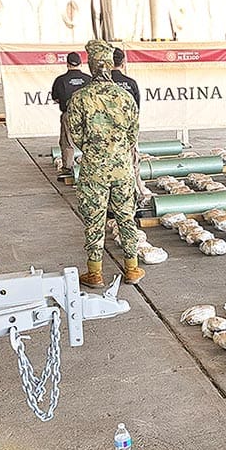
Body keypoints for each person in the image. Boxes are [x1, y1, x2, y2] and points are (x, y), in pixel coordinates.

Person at [67, 40, 144, 288]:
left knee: (94, 219)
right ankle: (132, 268)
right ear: (111, 65)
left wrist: (93, 150)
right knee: (126, 216)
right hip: (122, 167)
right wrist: (118, 150)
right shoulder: (125, 97)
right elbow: (133, 134)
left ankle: (95, 273)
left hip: (94, 169)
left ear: (90, 64)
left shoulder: (80, 98)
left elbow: (75, 135)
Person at [51, 52, 91, 177]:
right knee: (89, 140)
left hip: (68, 114)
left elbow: (56, 98)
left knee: (67, 142)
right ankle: (90, 166)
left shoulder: (60, 80)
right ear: (81, 63)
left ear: (67, 64)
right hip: (87, 114)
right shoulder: (89, 79)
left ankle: (68, 168)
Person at [111, 47, 143, 202]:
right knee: (131, 162)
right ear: (123, 63)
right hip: (128, 131)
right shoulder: (131, 83)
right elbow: (136, 111)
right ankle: (134, 191)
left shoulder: (99, 86)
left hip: (107, 134)